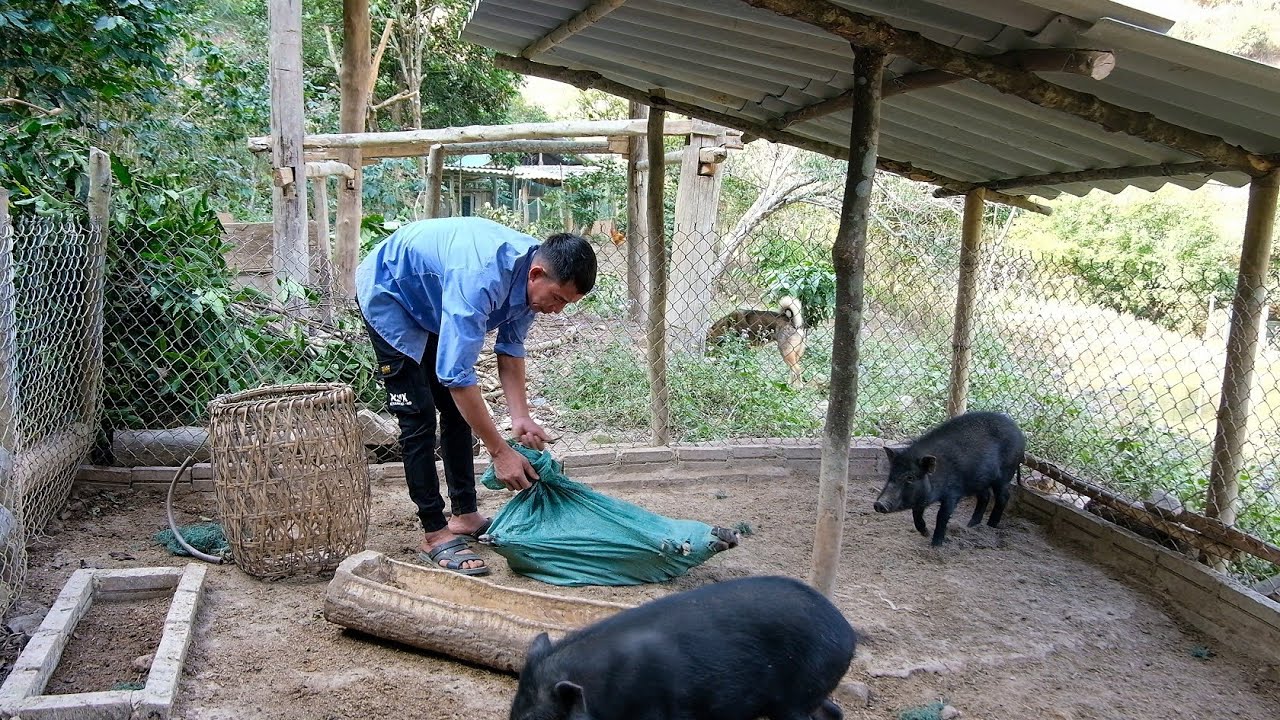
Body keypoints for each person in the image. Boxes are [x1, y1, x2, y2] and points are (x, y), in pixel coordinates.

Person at [355, 216, 597, 576]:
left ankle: (465, 515)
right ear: (536, 274)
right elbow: (456, 377)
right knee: (418, 417)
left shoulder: (532, 283)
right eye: (558, 299)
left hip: (436, 297)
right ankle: (435, 534)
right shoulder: (482, 277)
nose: (556, 310)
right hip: (391, 292)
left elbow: (510, 350)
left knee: (457, 413)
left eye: (567, 304)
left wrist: (521, 417)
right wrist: (500, 452)